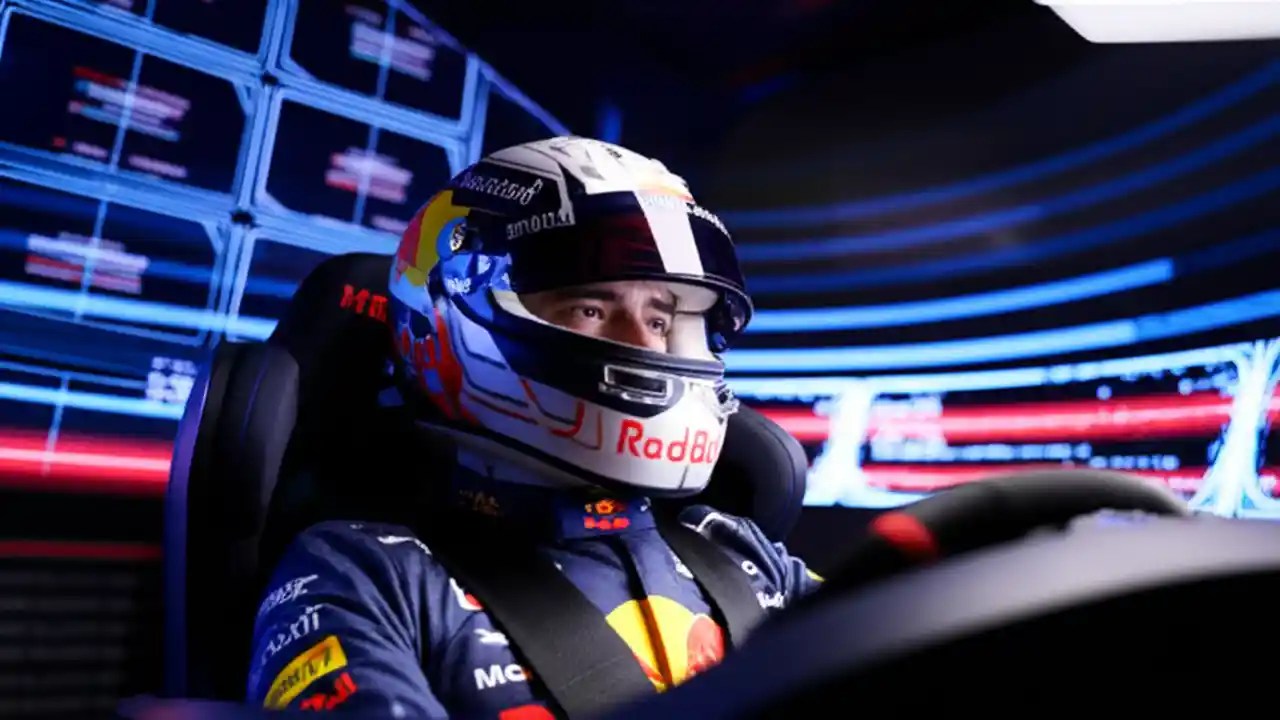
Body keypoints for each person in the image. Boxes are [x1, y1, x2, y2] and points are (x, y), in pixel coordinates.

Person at [244, 137, 821, 718]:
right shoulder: (363, 571)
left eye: (660, 317)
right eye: (591, 309)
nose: (647, 345)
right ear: (449, 318)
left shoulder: (742, 550)